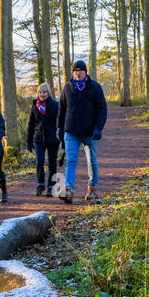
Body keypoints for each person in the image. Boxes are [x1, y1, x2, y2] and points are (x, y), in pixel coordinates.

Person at [56, 58, 107, 204]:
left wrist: (99, 128)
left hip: (90, 132)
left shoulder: (95, 87)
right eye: (75, 71)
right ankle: (68, 189)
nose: (78, 73)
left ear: (85, 72)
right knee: (71, 160)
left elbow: (102, 109)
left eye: (80, 71)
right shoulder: (67, 88)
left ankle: (92, 189)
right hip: (71, 131)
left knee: (92, 161)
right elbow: (62, 109)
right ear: (73, 73)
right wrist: (59, 128)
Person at [26, 82, 60, 196]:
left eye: (44, 92)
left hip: (52, 138)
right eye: (40, 92)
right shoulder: (35, 105)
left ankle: (51, 186)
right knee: (39, 160)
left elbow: (60, 122)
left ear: (48, 93)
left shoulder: (55, 105)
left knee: (52, 163)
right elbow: (31, 124)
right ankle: (41, 184)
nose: (42, 94)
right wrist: (28, 142)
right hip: (38, 138)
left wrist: (61, 136)